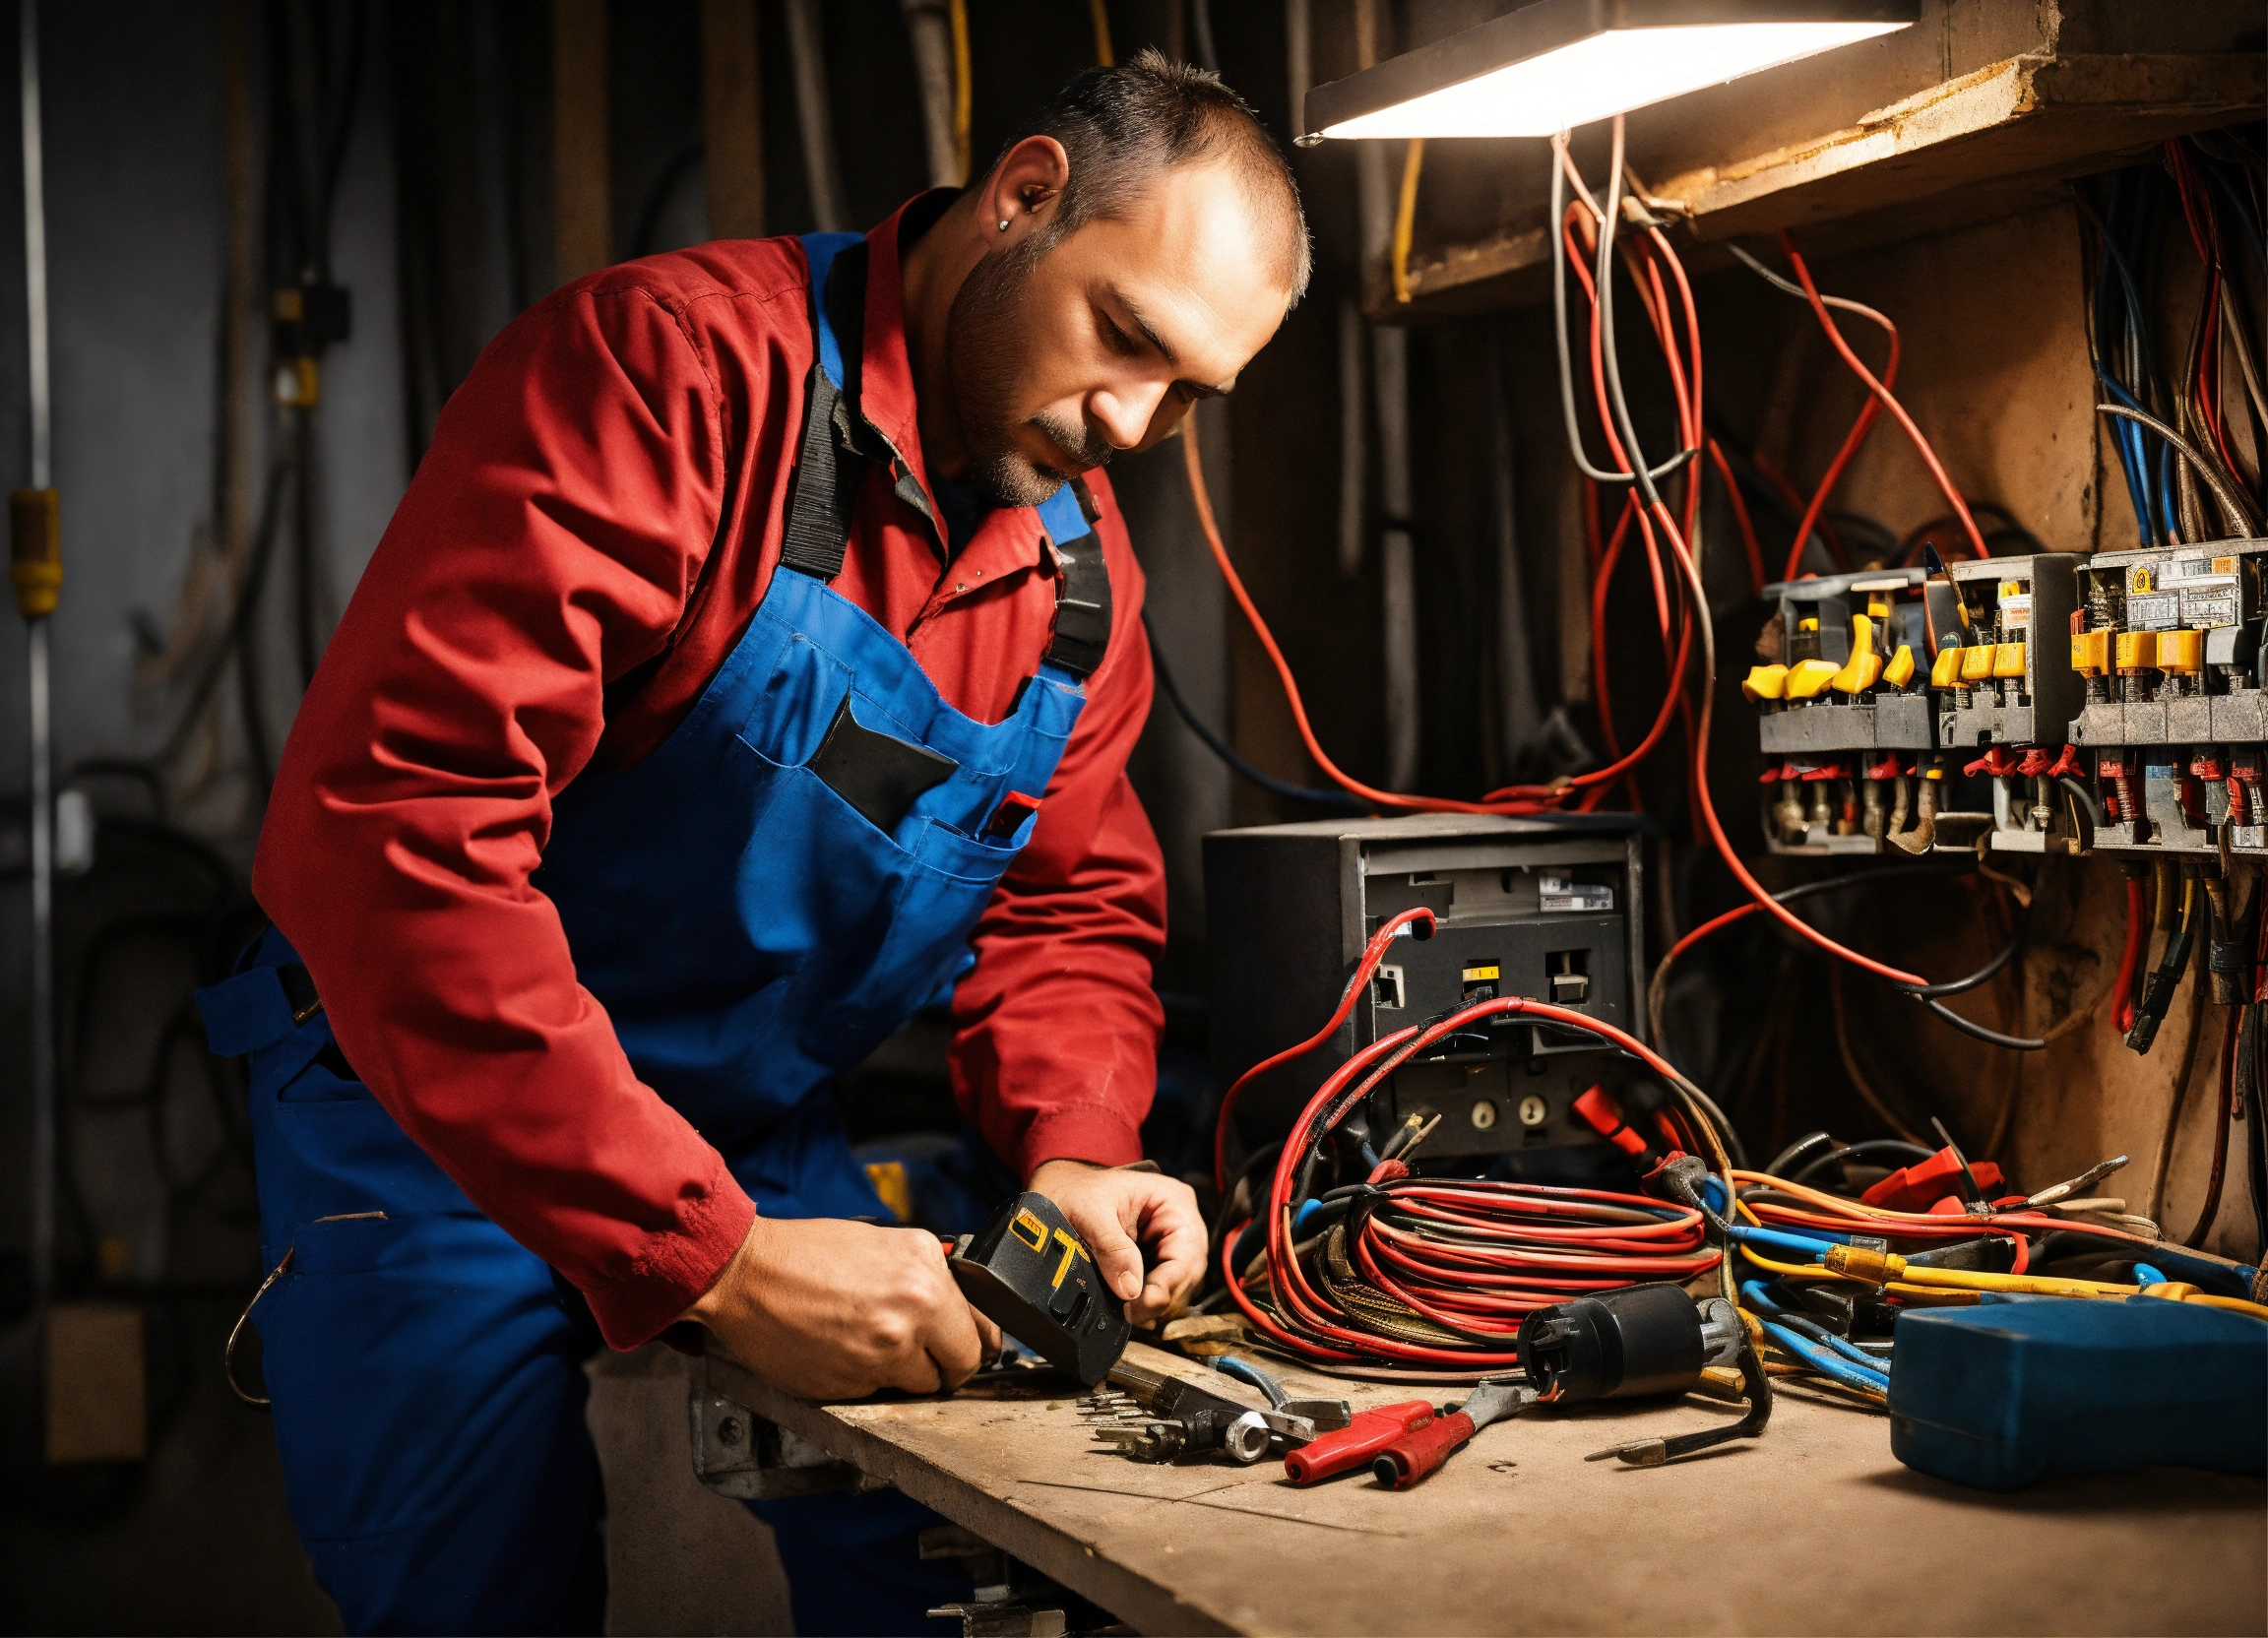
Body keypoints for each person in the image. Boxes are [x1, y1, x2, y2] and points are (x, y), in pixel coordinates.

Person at [194, 49, 1310, 1637]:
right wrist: (710, 1260)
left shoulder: (1082, 589)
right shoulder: (667, 377)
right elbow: (396, 832)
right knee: (473, 1594)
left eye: (1191, 391)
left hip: (750, 1116)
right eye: (1123, 337)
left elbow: (1068, 911)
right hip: (421, 1107)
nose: (1134, 421)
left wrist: (1077, 1146)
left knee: (948, 1542)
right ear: (1024, 196)